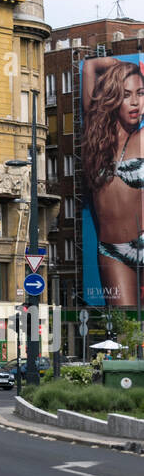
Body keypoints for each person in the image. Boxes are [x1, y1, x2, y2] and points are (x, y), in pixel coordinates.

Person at [82, 57, 144, 309]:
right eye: (126, 94)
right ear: (113, 97)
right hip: (111, 250)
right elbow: (89, 67)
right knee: (124, 328)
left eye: (141, 93)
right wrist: (121, 65)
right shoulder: (96, 137)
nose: (135, 102)